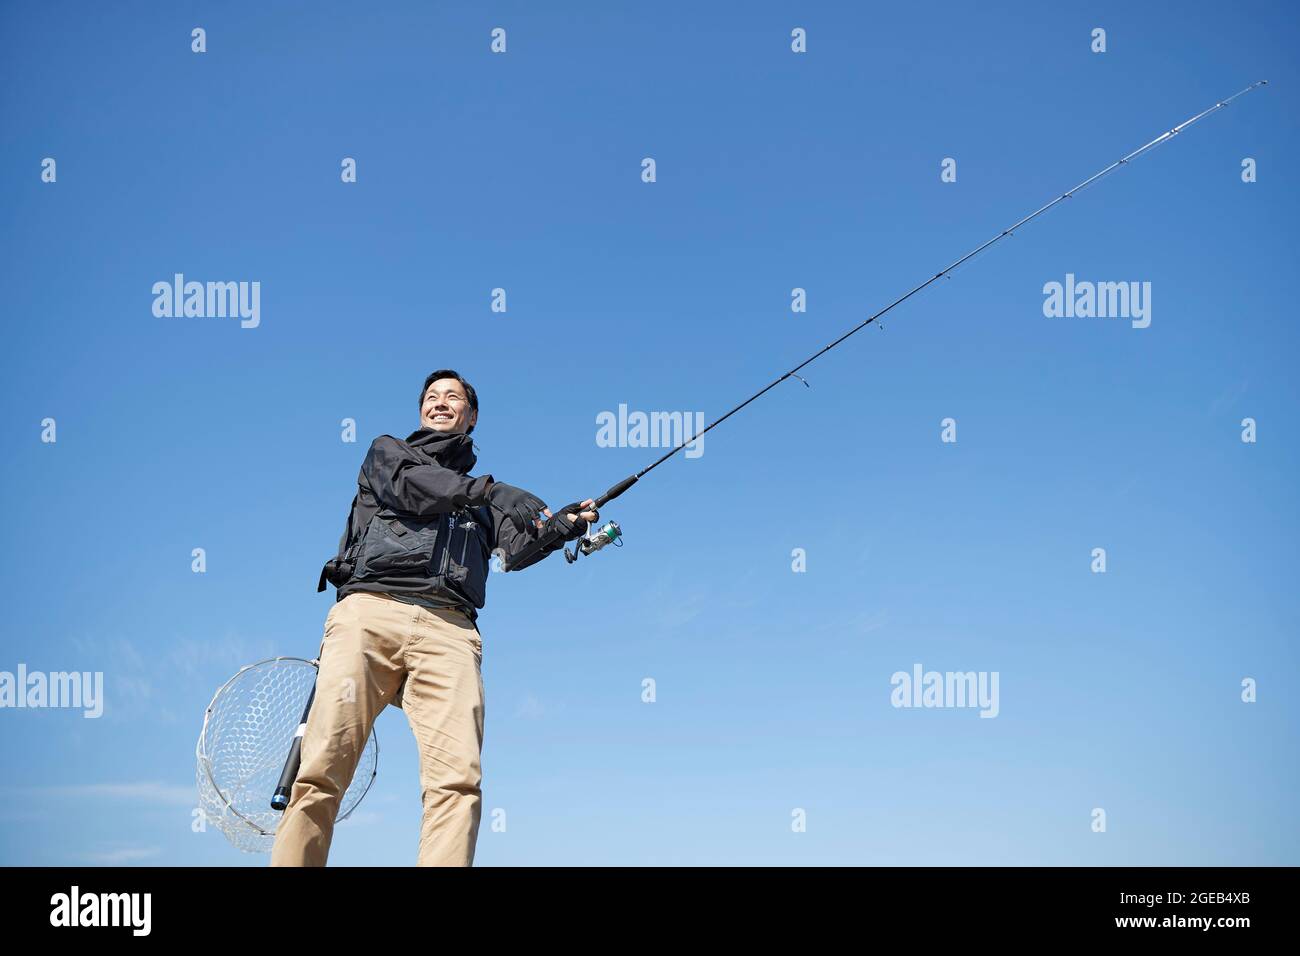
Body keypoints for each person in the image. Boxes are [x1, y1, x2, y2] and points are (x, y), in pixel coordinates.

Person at [269, 368, 596, 866]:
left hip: (451, 629)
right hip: (369, 615)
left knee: (458, 783)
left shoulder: (483, 500)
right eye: (431, 397)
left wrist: (560, 526)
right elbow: (414, 487)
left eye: (452, 398)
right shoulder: (388, 453)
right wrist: (491, 490)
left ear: (472, 416)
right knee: (320, 771)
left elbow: (515, 551)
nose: (440, 403)